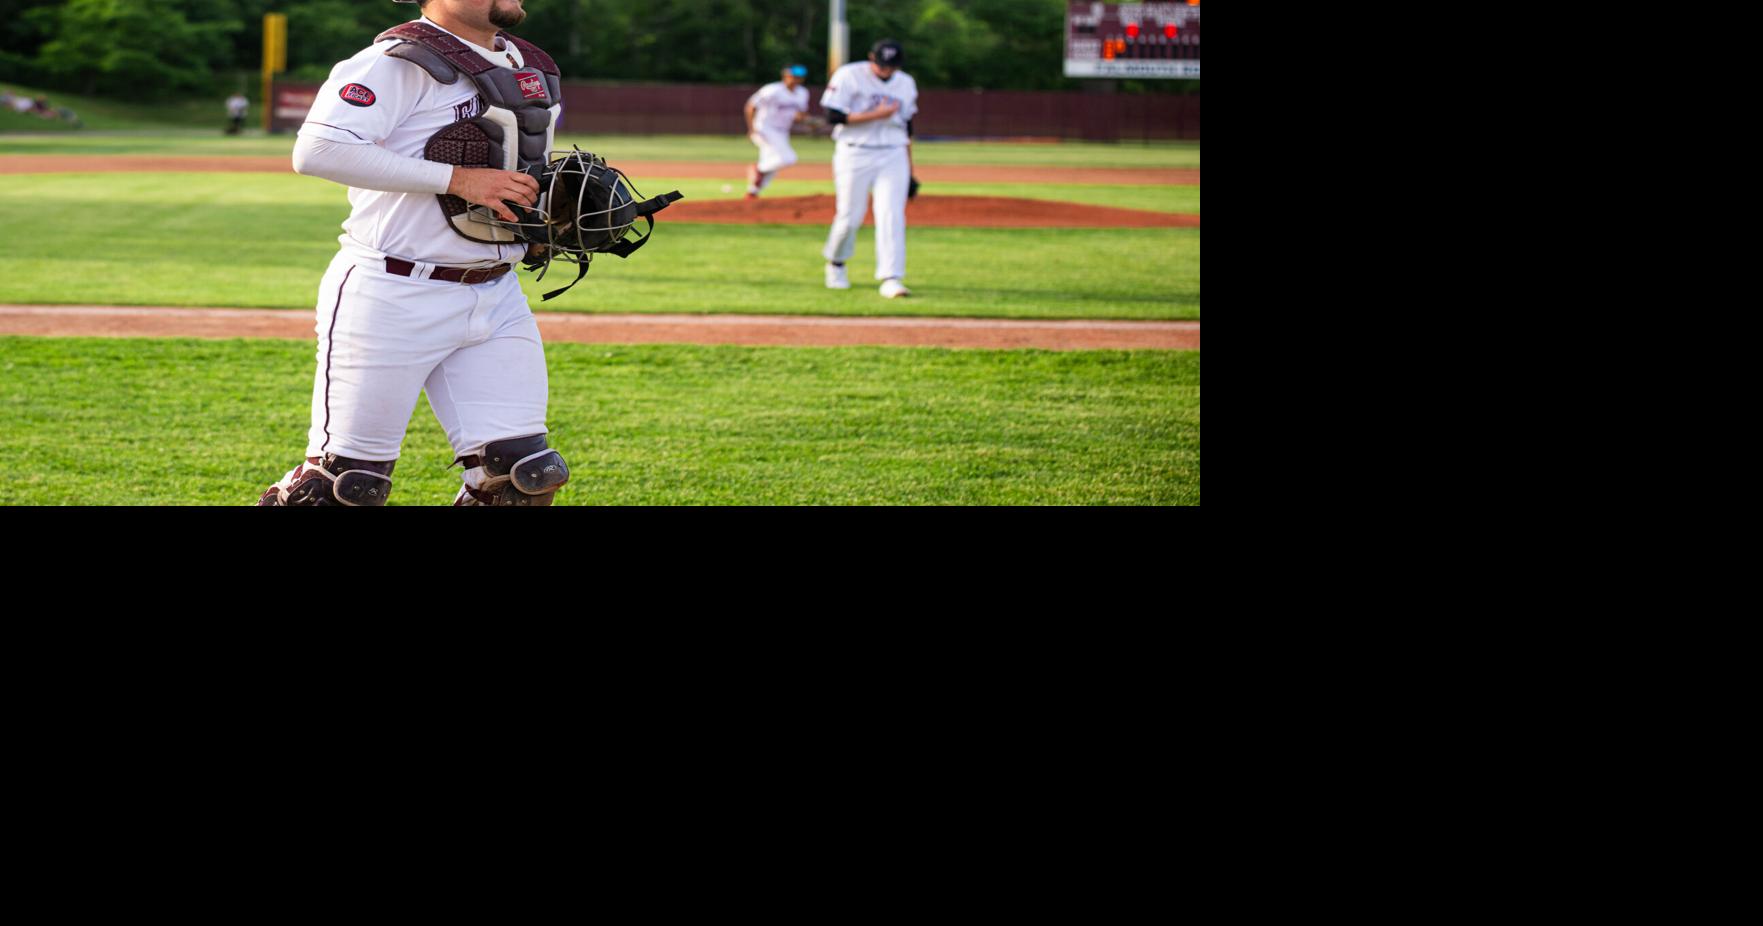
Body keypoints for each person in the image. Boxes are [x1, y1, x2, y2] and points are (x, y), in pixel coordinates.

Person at [257, 0, 573, 506]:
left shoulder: (526, 64)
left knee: (521, 478)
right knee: (345, 487)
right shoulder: (396, 61)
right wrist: (459, 179)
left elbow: (511, 169)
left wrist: (539, 221)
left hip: (497, 295)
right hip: (392, 293)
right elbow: (317, 150)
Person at [819, 38, 918, 298]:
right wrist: (877, 115)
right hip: (855, 151)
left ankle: (891, 277)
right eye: (883, 65)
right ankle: (836, 263)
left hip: (893, 152)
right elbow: (833, 115)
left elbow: (907, 126)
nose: (887, 71)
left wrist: (911, 168)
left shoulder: (905, 83)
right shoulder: (850, 75)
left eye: (892, 66)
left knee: (891, 214)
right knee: (850, 217)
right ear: (871, 58)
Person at [743, 64, 810, 199]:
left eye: (798, 77)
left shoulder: (802, 93)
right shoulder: (772, 90)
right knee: (788, 158)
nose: (795, 79)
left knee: (772, 162)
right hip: (765, 128)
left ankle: (752, 192)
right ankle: (759, 169)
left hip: (782, 132)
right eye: (792, 76)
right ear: (785, 76)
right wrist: (751, 129)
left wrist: (809, 122)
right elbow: (750, 106)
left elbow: (800, 116)